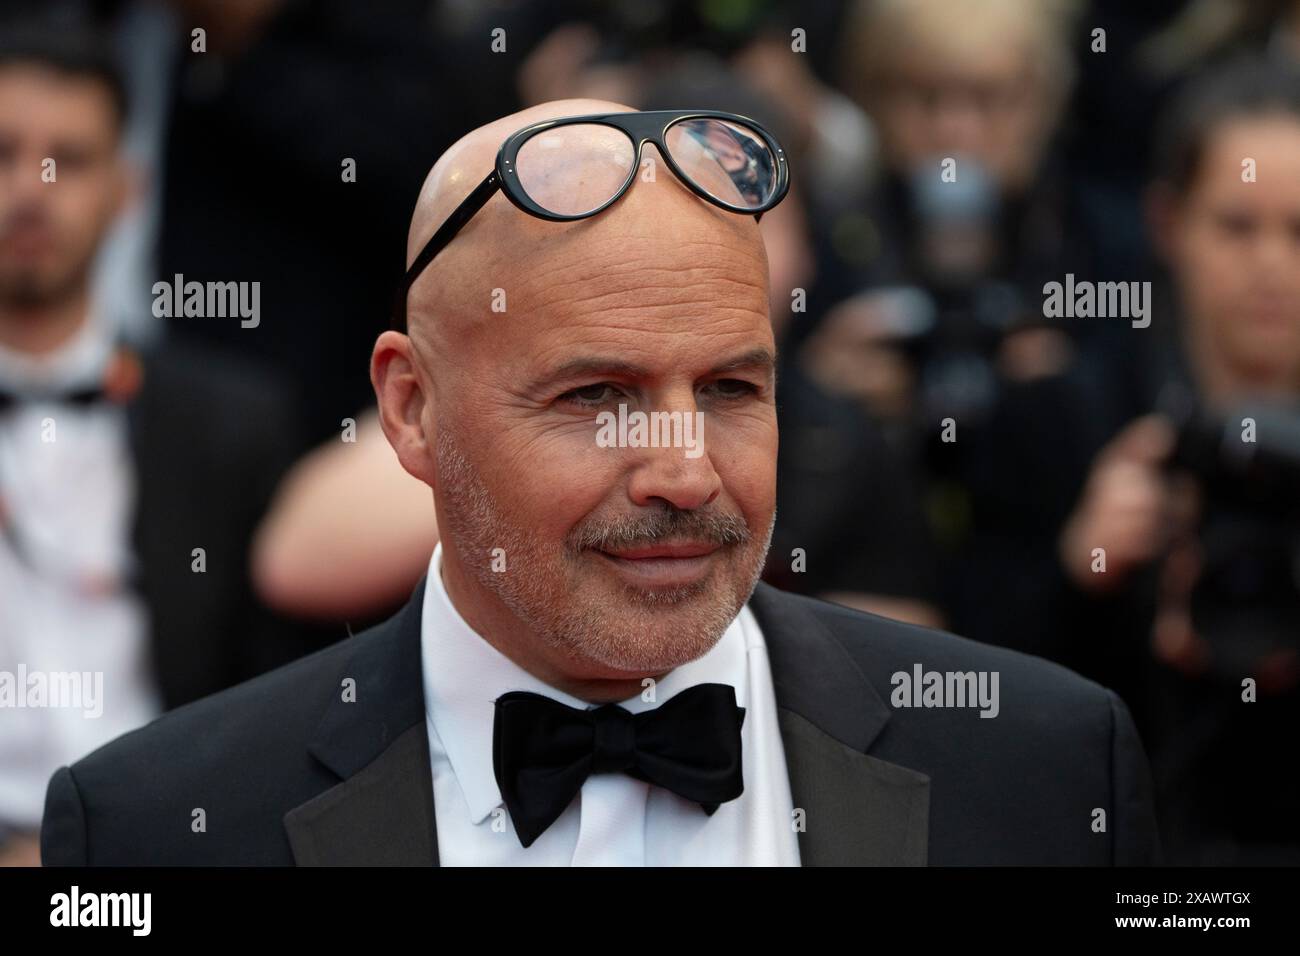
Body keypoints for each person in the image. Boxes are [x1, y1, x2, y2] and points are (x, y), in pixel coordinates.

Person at [42, 100, 1160, 866]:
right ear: (410, 407)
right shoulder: (159, 826)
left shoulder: (1043, 767)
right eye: (593, 398)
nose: (682, 468)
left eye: (729, 388)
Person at [0, 28, 308, 865]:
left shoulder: (228, 423)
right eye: (5, 153)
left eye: (68, 157)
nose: (32, 188)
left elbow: (279, 710)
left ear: (126, 190)